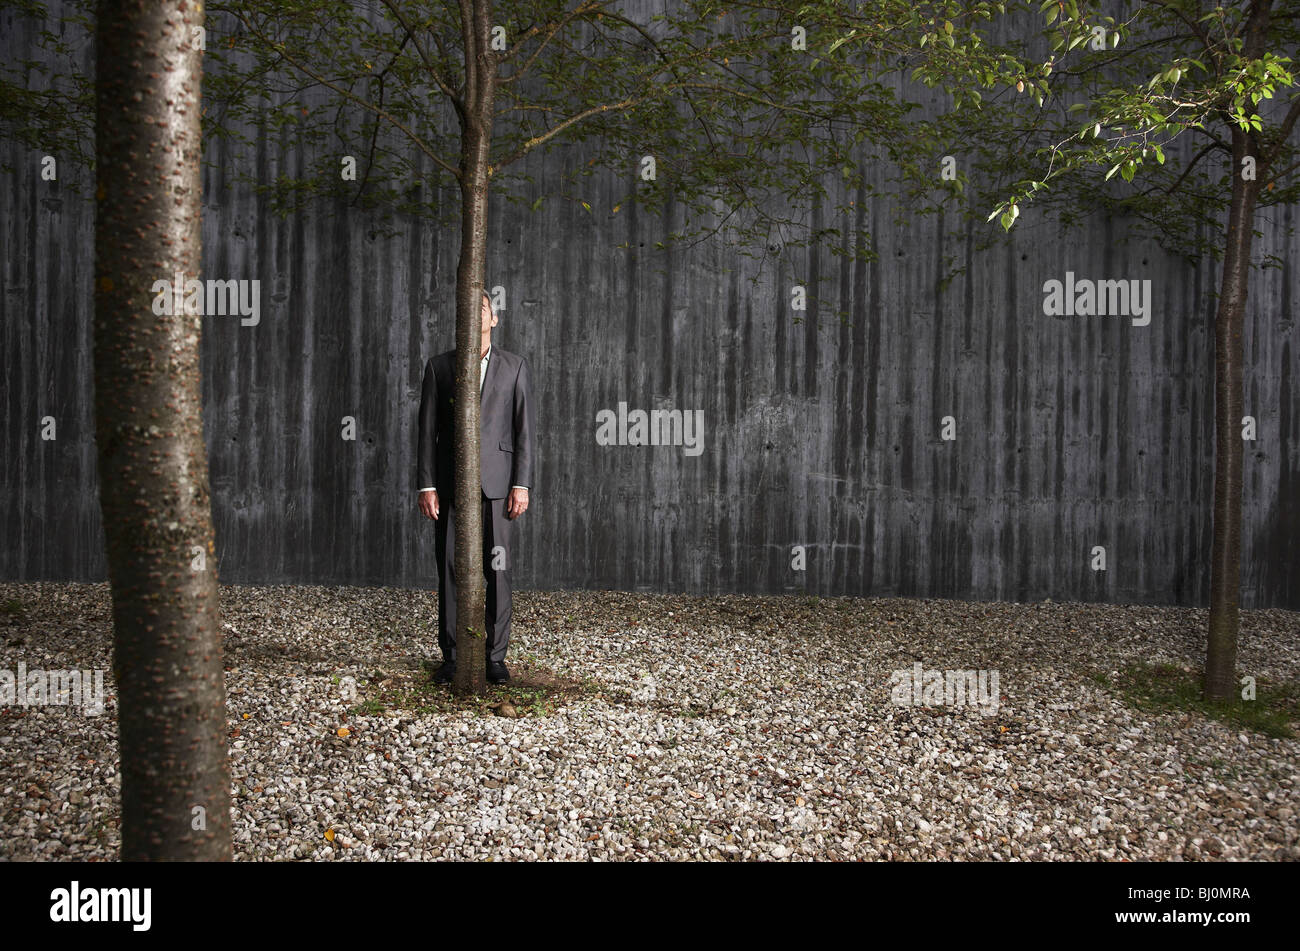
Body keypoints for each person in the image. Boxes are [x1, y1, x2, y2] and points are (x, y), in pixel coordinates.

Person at [416, 288, 534, 684]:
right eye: (470, 309)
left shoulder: (515, 367)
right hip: (450, 487)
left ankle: (495, 657)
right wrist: (426, 485)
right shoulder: (439, 367)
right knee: (449, 568)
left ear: (494, 318)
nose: (477, 314)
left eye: (483, 308)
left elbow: (523, 432)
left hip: (499, 487)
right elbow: (426, 432)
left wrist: (522, 483)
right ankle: (451, 656)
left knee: (498, 571)